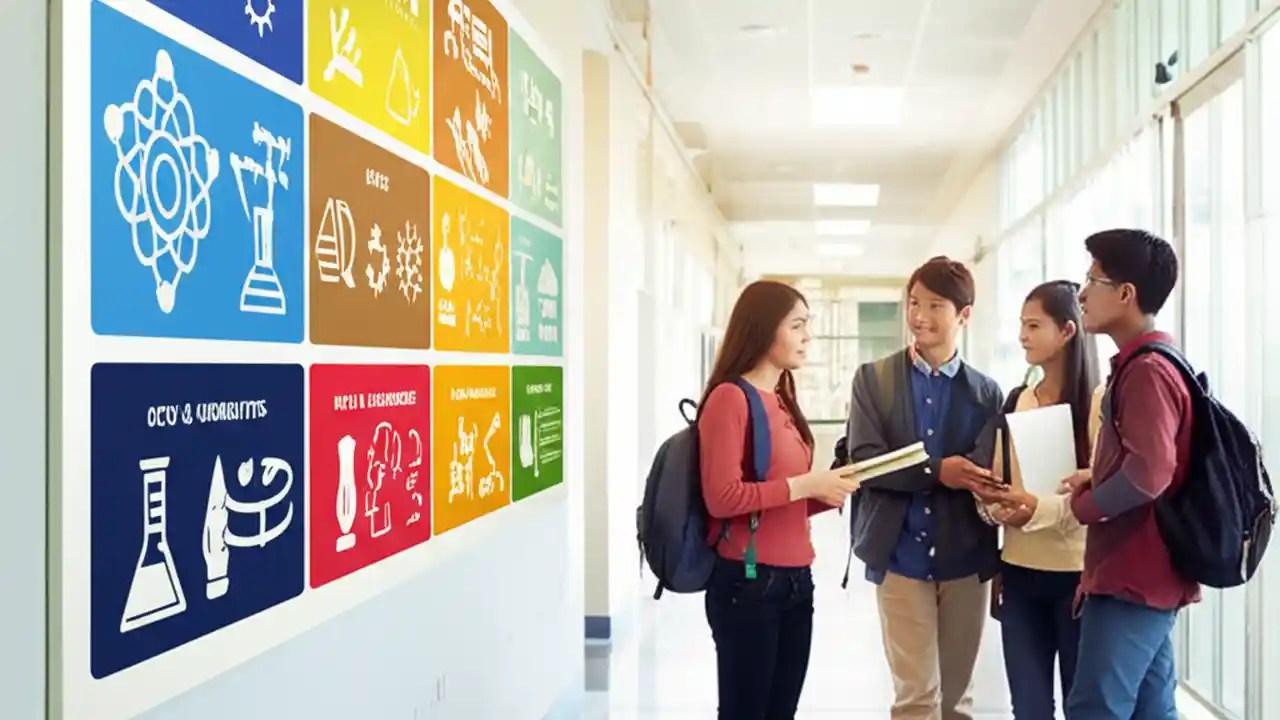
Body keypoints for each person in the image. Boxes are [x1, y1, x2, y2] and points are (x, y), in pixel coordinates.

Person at [844, 256, 1007, 720]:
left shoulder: (986, 393)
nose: (919, 316)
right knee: (916, 698)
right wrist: (938, 472)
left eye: (935, 305)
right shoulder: (874, 381)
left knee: (957, 701)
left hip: (965, 559)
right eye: (914, 303)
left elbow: (984, 471)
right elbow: (867, 463)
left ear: (964, 315)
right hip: (899, 556)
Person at [698, 279, 861, 720]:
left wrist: (832, 490)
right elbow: (723, 497)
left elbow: (779, 503)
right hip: (749, 586)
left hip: (795, 582)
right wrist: (808, 485)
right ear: (764, 329)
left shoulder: (783, 399)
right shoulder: (729, 399)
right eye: (797, 325)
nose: (808, 336)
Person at [1064, 229, 1200, 719]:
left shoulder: (1146, 370)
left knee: (1095, 709)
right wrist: (1095, 479)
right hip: (1149, 575)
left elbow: (1149, 473)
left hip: (1132, 577)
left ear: (1126, 294)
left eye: (1092, 279)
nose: (1080, 293)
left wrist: (1087, 506)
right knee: (1151, 709)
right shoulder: (1155, 362)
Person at [979, 280, 1103, 718]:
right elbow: (998, 482)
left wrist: (1035, 509)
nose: (1022, 336)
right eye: (1021, 325)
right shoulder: (1019, 400)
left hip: (1078, 580)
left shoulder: (1100, 402)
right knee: (1028, 708)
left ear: (1067, 331)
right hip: (1018, 577)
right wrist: (994, 506)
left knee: (1080, 704)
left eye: (1033, 325)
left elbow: (1101, 499)